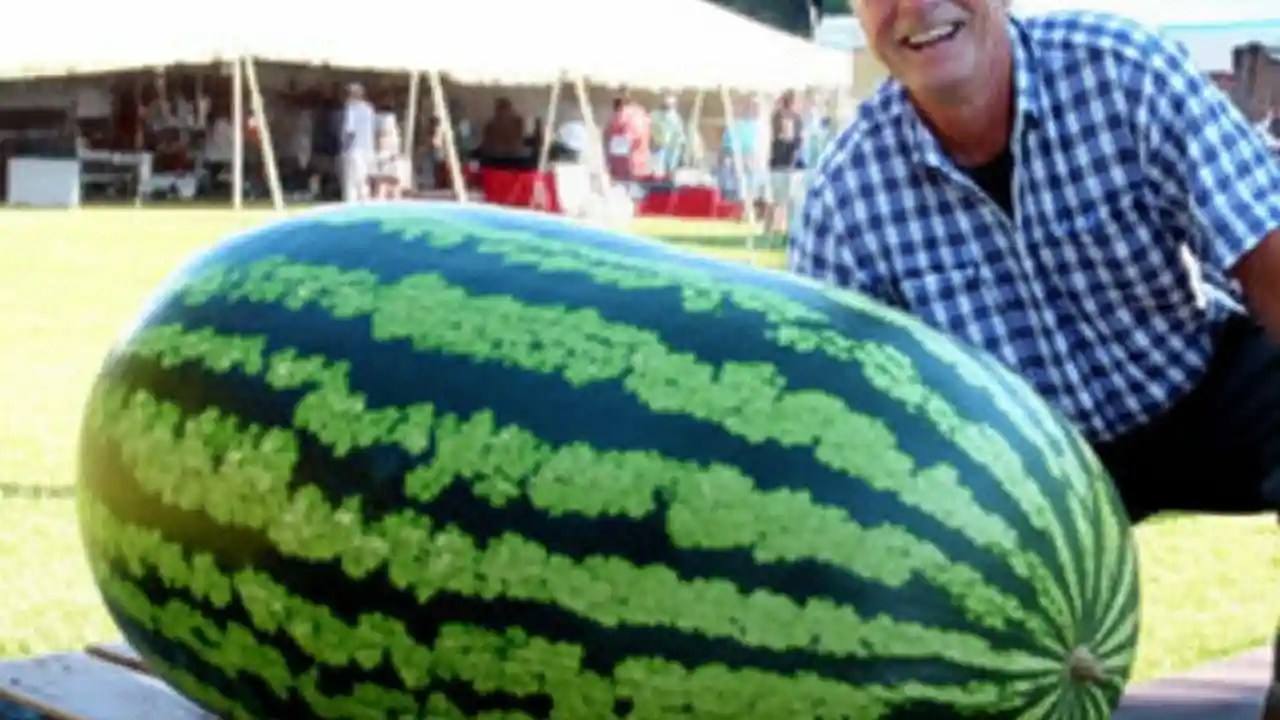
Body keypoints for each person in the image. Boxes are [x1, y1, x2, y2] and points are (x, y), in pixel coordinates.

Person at [789, 2, 1280, 715]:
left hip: (1193, 377)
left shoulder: (1118, 66)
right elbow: (842, 436)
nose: (918, 7)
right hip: (1025, 469)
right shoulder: (845, 199)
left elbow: (1265, 245)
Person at [339, 83, 376, 202]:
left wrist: (344, 149)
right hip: (368, 149)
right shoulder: (369, 109)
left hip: (354, 149)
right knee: (364, 180)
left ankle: (351, 205)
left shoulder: (351, 108)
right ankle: (365, 203)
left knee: (351, 182)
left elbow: (350, 130)